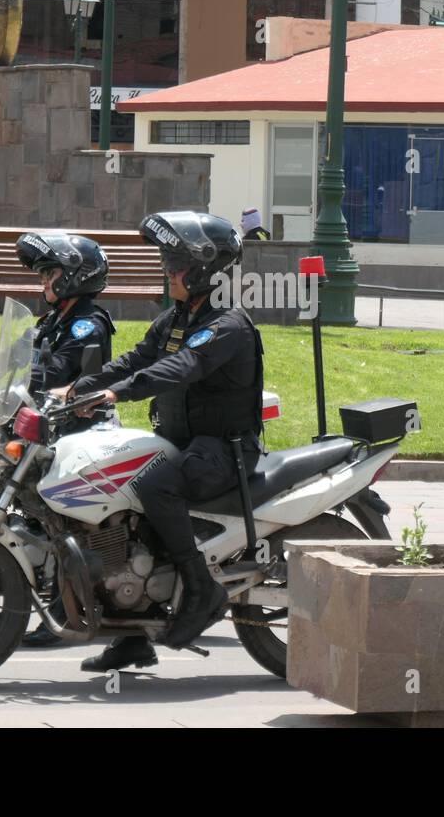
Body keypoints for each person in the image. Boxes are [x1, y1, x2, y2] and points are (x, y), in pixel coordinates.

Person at [54, 211, 264, 673]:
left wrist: (116, 393)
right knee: (124, 500)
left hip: (221, 451)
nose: (167, 273)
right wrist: (76, 390)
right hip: (180, 442)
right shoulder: (176, 318)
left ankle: (200, 588)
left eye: (175, 264)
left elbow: (179, 368)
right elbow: (136, 359)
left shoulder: (226, 326)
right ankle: (133, 637)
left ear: (202, 269)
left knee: (154, 486)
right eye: (167, 263)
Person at [11, 231, 116, 647]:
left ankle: (63, 607)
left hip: (83, 431)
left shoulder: (89, 323)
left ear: (76, 275)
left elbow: (58, 372)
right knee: (32, 507)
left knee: (61, 517)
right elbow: (25, 359)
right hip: (53, 427)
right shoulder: (54, 319)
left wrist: (22, 375)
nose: (43, 283)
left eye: (49, 273)